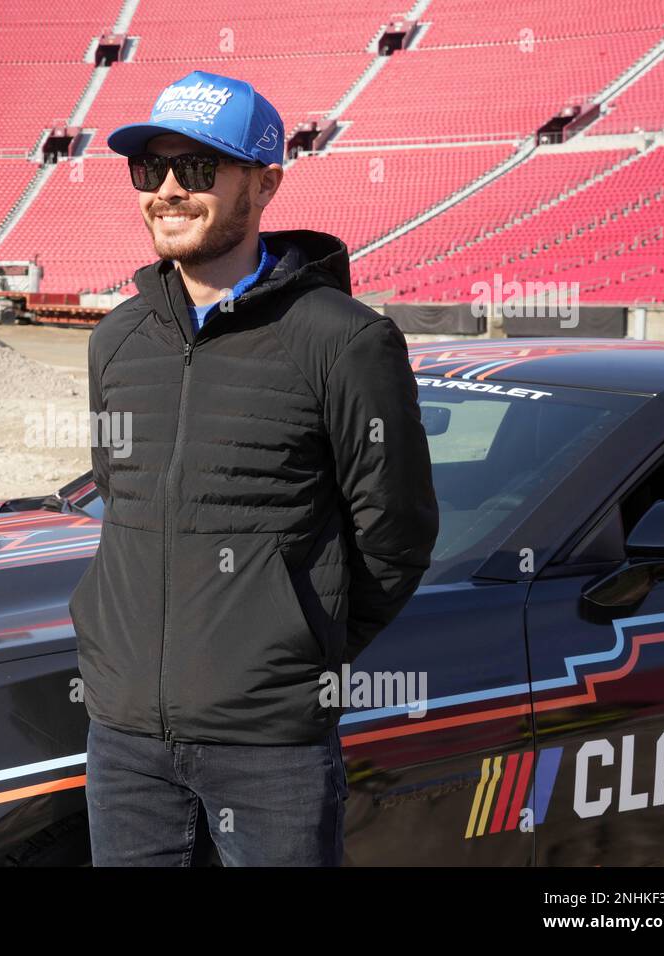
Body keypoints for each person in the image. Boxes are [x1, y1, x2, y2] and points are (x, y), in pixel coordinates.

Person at [69, 70, 439, 866]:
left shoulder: (345, 341)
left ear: (265, 183)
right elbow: (120, 498)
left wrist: (296, 651)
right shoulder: (117, 340)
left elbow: (396, 531)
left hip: (271, 750)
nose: (168, 189)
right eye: (150, 169)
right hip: (126, 739)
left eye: (198, 169)